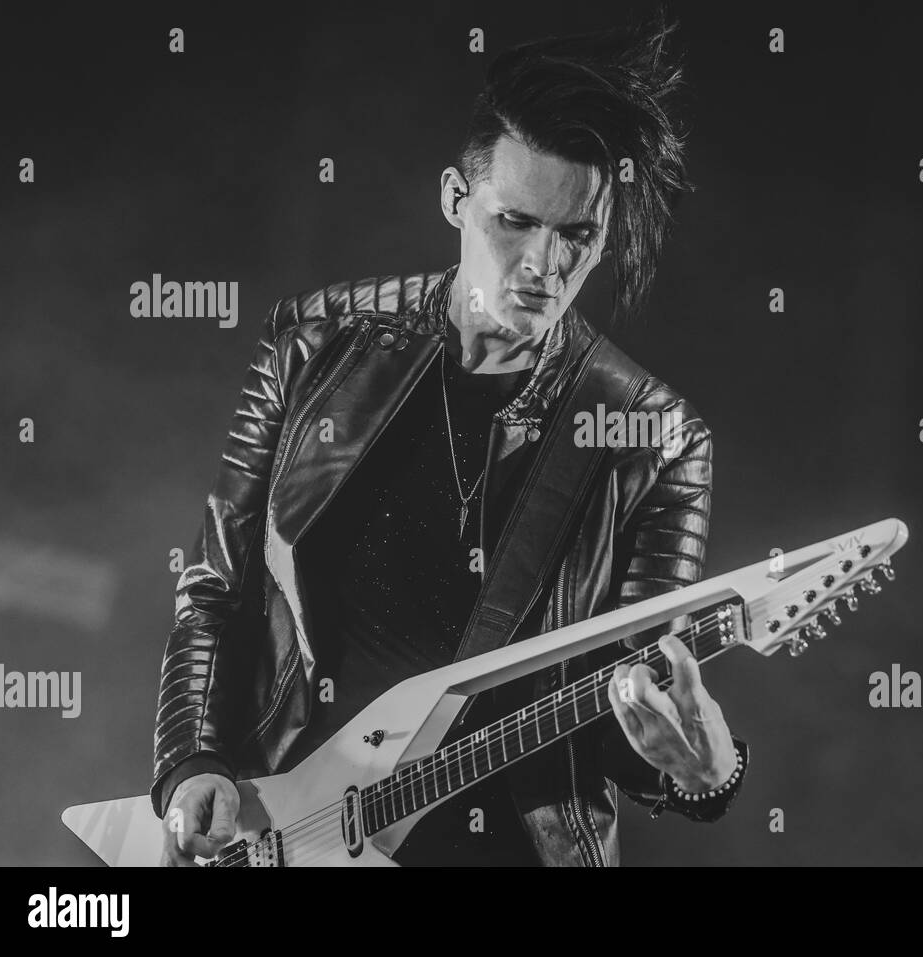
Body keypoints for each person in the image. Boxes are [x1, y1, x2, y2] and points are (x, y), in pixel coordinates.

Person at [153, 9, 749, 867]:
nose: (544, 264)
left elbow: (629, 714)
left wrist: (707, 770)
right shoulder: (317, 342)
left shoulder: (652, 435)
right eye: (515, 222)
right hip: (283, 832)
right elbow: (215, 588)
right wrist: (190, 765)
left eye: (576, 235)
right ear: (455, 200)